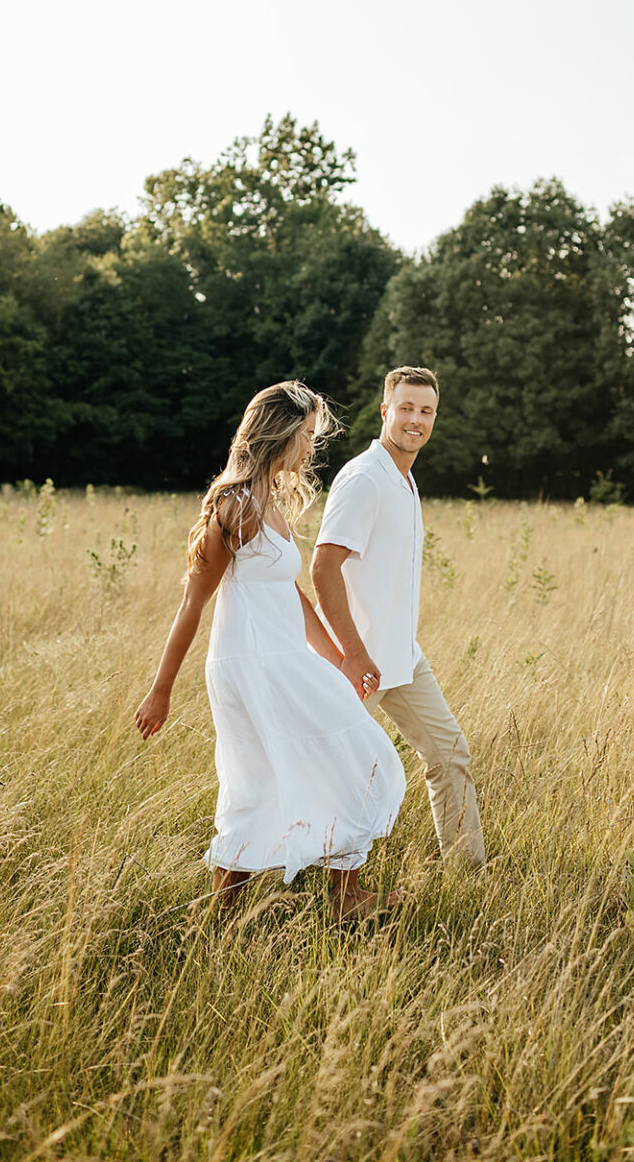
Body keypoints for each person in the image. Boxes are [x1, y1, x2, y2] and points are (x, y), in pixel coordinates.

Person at [135, 380, 405, 919]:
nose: (310, 448)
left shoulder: (273, 502)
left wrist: (342, 659)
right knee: (349, 760)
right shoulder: (236, 505)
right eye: (305, 436)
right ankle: (340, 899)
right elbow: (193, 603)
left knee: (279, 774)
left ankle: (235, 912)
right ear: (278, 435)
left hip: (283, 659)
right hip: (253, 664)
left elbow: (293, 596)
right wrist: (160, 690)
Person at [311, 366, 485, 869]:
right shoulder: (366, 478)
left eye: (426, 411)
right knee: (329, 771)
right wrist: (354, 654)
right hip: (355, 662)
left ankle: (465, 874)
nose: (416, 419)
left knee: (450, 753)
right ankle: (289, 877)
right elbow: (323, 569)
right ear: (385, 411)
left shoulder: (405, 480)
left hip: (401, 657)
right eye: (406, 408)